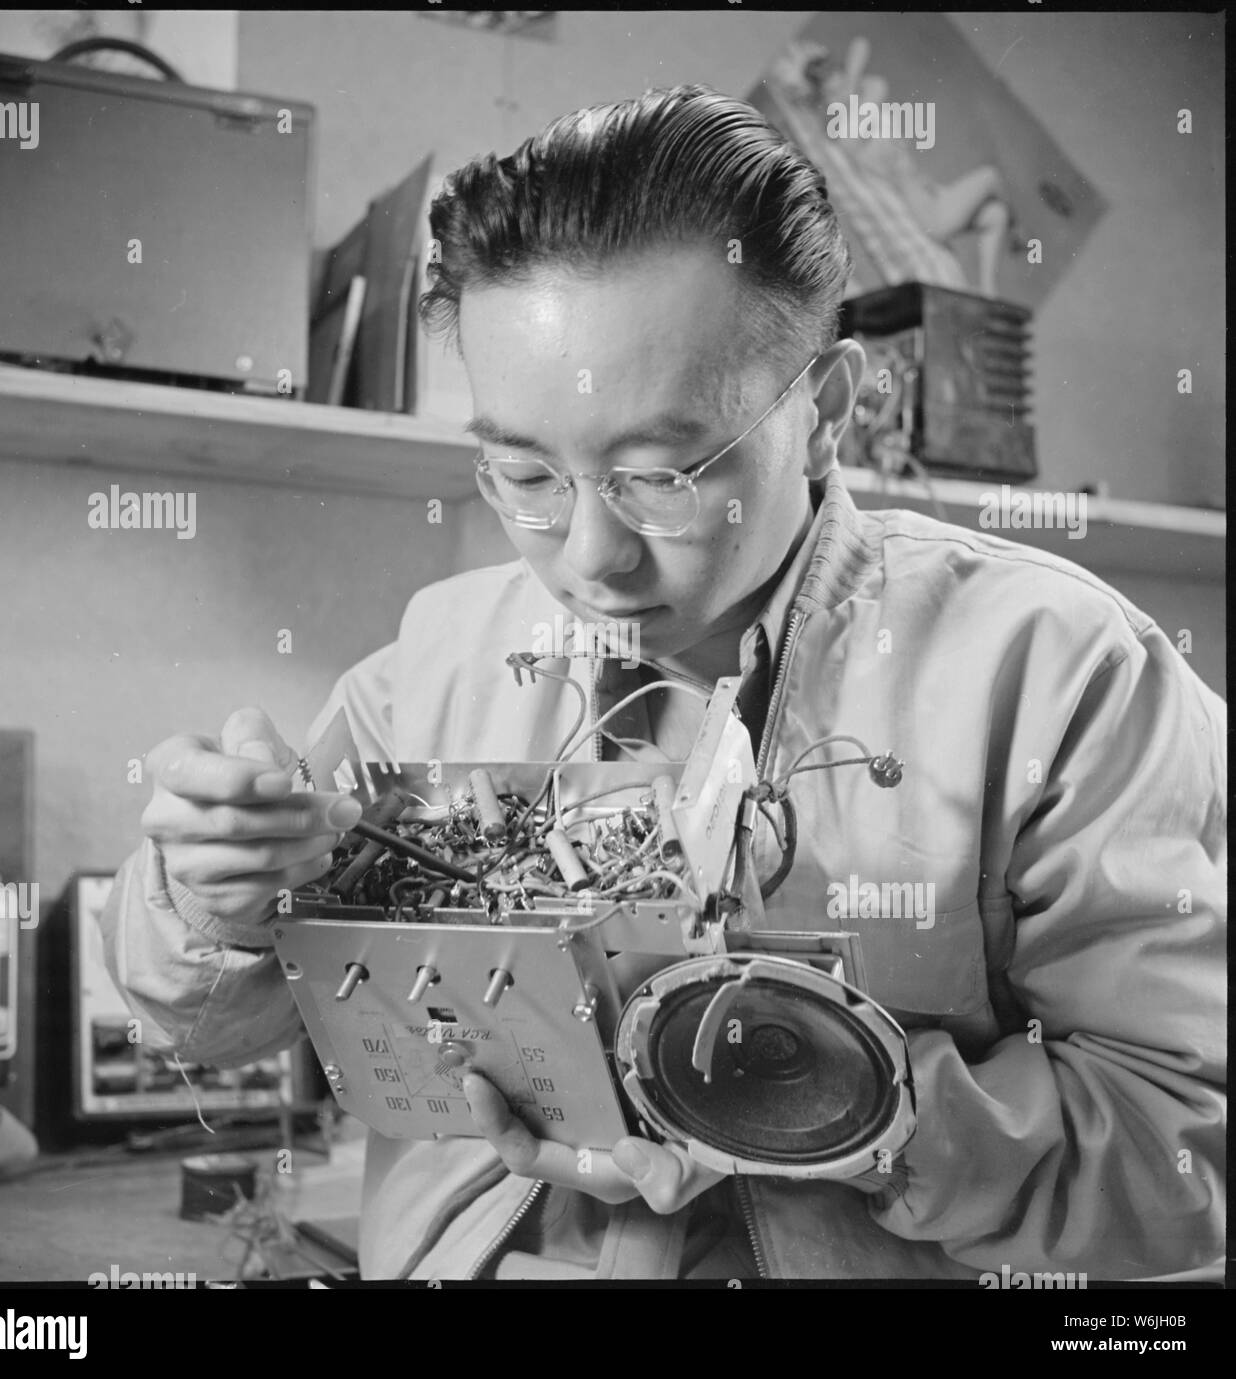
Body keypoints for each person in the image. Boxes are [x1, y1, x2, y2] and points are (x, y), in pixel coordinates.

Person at [100, 84, 1225, 1281]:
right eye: (522, 472)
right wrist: (208, 900)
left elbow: (1187, 1153)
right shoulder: (438, 662)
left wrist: (834, 1106)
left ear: (829, 410)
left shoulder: (1058, 672)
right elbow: (210, 1025)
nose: (588, 557)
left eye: (661, 472)